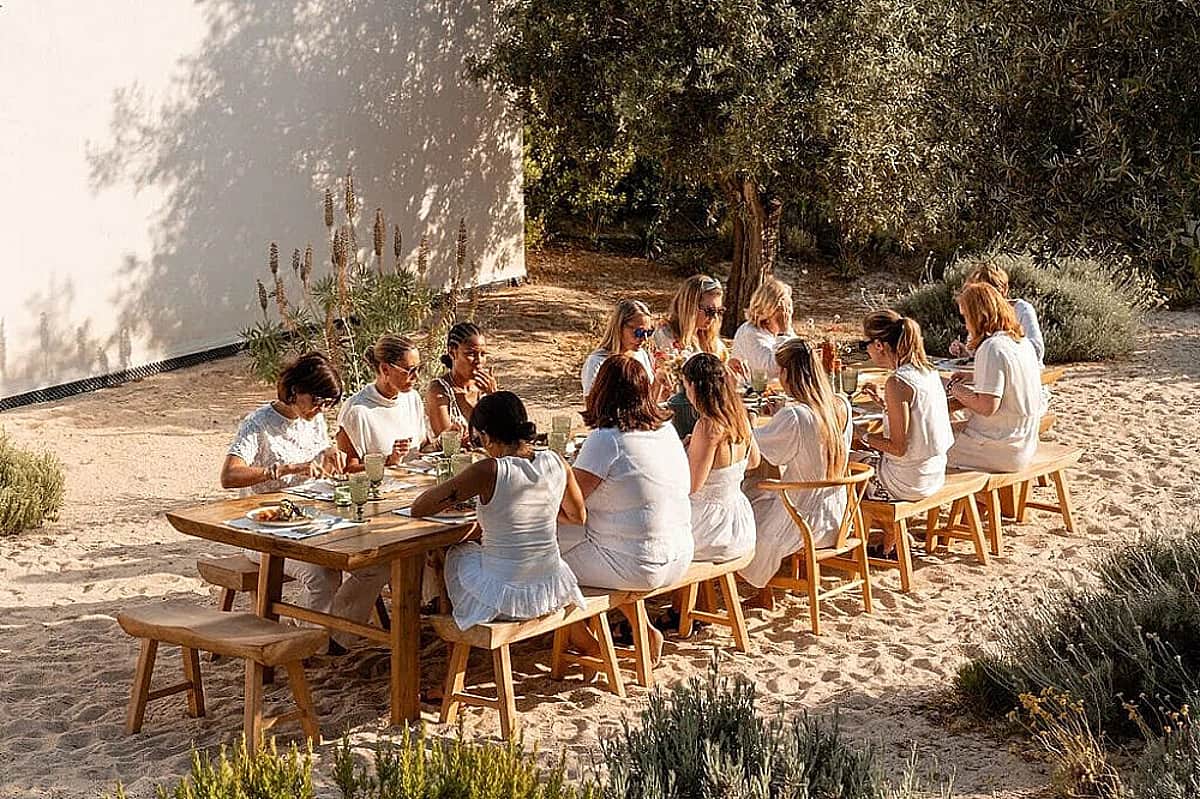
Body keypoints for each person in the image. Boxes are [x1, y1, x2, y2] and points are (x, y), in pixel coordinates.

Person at [219, 352, 388, 650]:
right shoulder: (258, 424)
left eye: (327, 404)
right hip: (265, 529)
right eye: (317, 401)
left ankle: (332, 635)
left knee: (377, 564)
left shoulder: (314, 419)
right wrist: (286, 469)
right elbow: (229, 476)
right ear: (296, 390)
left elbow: (322, 451)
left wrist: (331, 453)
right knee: (323, 575)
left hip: (311, 521)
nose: (321, 409)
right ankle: (309, 644)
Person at [411, 392, 588, 631]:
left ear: (486, 436)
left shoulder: (489, 470)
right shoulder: (556, 461)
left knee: (456, 551)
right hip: (548, 590)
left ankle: (439, 618)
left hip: (502, 600)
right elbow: (578, 516)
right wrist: (536, 509)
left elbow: (420, 507)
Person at [559, 355, 693, 661]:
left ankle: (586, 642)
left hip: (641, 564)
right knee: (611, 539)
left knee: (543, 554)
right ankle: (642, 628)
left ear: (601, 391)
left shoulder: (606, 440)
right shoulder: (665, 431)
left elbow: (568, 502)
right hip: (679, 554)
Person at [740, 338, 853, 589]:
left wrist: (750, 418)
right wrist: (780, 416)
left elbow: (753, 448)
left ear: (788, 374)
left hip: (802, 520)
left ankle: (761, 589)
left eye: (780, 372)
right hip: (837, 516)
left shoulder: (795, 416)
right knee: (760, 489)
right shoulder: (841, 404)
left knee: (747, 498)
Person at [854, 310, 954, 507]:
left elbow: (898, 448)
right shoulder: (927, 371)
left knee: (838, 464)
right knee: (858, 457)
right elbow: (917, 416)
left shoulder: (897, 382)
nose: (867, 351)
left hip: (906, 482)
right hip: (934, 474)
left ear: (879, 345)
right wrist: (885, 404)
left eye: (865, 345)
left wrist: (860, 434)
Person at [945, 283, 1043, 473]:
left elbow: (987, 407)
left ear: (978, 316)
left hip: (1000, 448)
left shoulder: (992, 347)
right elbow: (1012, 377)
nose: (965, 324)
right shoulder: (1021, 342)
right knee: (946, 428)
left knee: (922, 445)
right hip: (1024, 443)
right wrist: (973, 376)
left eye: (965, 316)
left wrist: (953, 388)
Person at [681, 353, 759, 562]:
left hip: (711, 529)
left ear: (694, 387)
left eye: (686, 387)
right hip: (741, 524)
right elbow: (754, 462)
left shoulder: (707, 426)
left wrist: (682, 453)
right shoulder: (740, 416)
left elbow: (692, 486)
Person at [336, 334, 429, 468]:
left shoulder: (412, 398)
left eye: (419, 368)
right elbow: (348, 469)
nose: (417, 376)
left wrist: (444, 441)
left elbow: (422, 448)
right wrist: (388, 462)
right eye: (410, 370)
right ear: (385, 369)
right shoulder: (357, 411)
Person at [951, 263, 1044, 365]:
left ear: (1002, 290)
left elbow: (1037, 350)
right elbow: (979, 353)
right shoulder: (981, 315)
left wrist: (1001, 353)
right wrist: (965, 352)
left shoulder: (1022, 309)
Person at [426, 321, 497, 443]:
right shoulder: (439, 390)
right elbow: (447, 443)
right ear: (452, 353)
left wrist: (494, 398)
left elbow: (504, 433)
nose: (478, 360)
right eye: (471, 354)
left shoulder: (485, 389)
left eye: (483, 354)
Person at [580, 299, 663, 397]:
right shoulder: (597, 361)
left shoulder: (641, 355)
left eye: (648, 332)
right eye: (639, 332)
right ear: (619, 327)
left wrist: (659, 381)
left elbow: (648, 402)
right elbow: (591, 404)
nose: (644, 338)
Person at [651, 274, 730, 360]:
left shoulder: (711, 340)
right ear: (690, 308)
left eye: (719, 311)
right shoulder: (666, 335)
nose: (714, 317)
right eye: (710, 311)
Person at [732, 278, 795, 380]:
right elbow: (770, 371)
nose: (787, 315)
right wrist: (783, 332)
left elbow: (796, 356)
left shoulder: (778, 332)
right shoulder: (750, 332)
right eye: (783, 310)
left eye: (789, 308)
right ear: (768, 311)